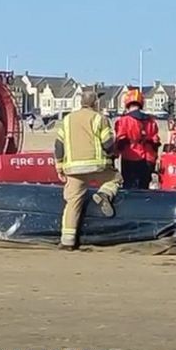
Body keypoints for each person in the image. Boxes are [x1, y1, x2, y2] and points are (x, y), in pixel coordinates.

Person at [54, 90, 122, 251]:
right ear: (95, 103)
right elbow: (107, 144)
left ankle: (67, 241)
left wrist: (59, 166)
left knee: (73, 202)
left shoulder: (67, 119)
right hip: (97, 166)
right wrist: (113, 152)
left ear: (80, 102)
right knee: (115, 179)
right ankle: (104, 194)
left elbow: (59, 145)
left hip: (73, 168)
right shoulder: (99, 118)